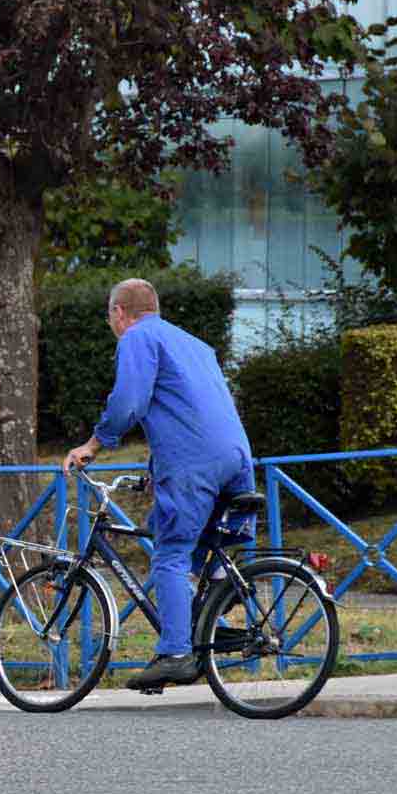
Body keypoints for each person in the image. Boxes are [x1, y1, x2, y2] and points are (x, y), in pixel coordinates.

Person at [63, 278, 254, 692]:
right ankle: (212, 621)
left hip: (194, 465)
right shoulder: (193, 344)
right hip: (236, 458)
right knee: (199, 552)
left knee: (170, 555)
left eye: (111, 317)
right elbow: (186, 409)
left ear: (118, 313)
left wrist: (93, 446)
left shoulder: (137, 338)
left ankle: (175, 654)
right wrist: (155, 467)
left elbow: (129, 402)